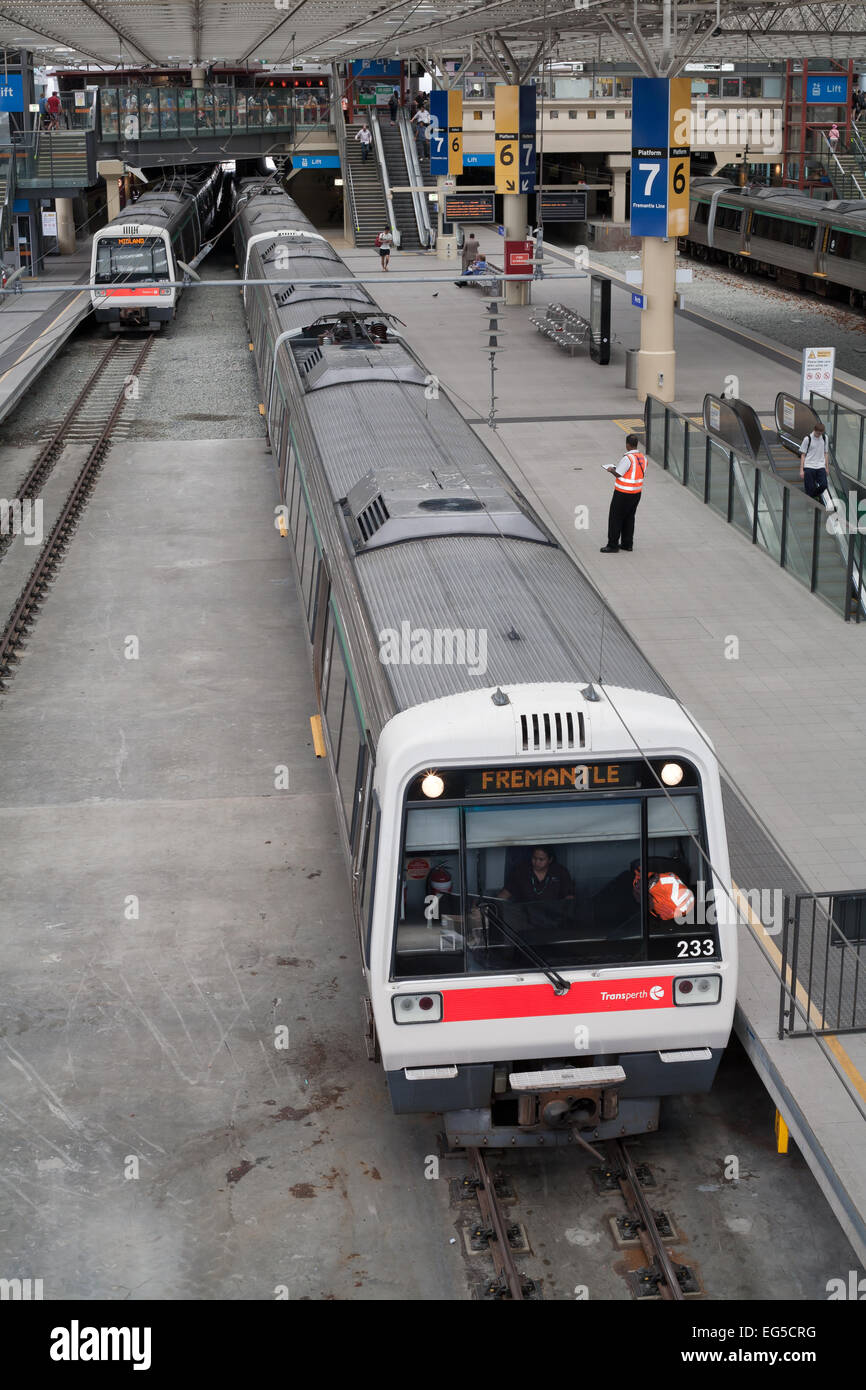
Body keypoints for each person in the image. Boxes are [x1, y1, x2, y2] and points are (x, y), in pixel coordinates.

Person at [600, 432, 647, 553]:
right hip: (636, 493)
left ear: (627, 445)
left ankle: (613, 545)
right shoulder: (643, 458)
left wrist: (611, 469)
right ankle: (627, 544)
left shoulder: (628, 458)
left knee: (615, 518)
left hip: (623, 493)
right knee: (629, 518)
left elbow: (618, 473)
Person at [498, 847, 574, 905]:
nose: (537, 862)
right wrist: (495, 905)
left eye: (541, 859)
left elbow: (569, 897)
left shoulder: (560, 871)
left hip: (553, 918)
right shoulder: (521, 871)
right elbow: (506, 893)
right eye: (534, 858)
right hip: (524, 917)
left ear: (550, 860)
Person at [799, 420, 829, 499]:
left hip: (820, 466)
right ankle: (811, 499)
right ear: (814, 430)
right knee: (810, 488)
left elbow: (826, 453)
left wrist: (827, 467)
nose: (819, 435)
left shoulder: (824, 438)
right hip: (809, 466)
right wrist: (801, 470)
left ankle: (813, 496)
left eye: (820, 433)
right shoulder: (807, 439)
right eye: (817, 433)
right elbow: (803, 455)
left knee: (824, 485)